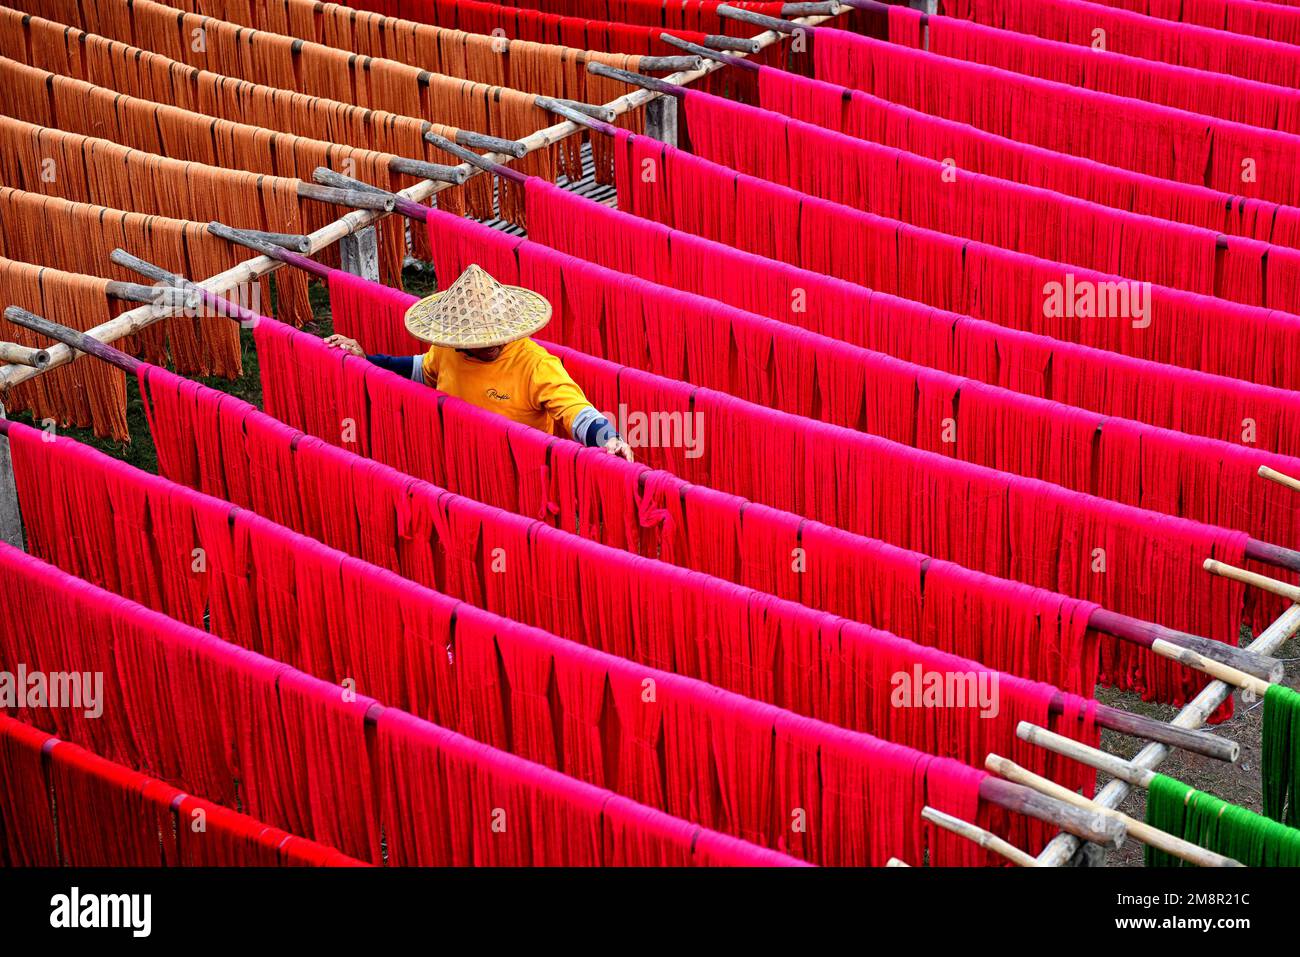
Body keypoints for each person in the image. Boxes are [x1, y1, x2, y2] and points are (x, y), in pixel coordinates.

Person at [326, 264, 633, 461]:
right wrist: (367, 360)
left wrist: (609, 439)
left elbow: (576, 412)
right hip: (457, 463)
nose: (492, 345)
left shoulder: (536, 365)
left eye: (497, 336)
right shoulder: (447, 350)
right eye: (480, 340)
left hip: (518, 474)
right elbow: (423, 370)